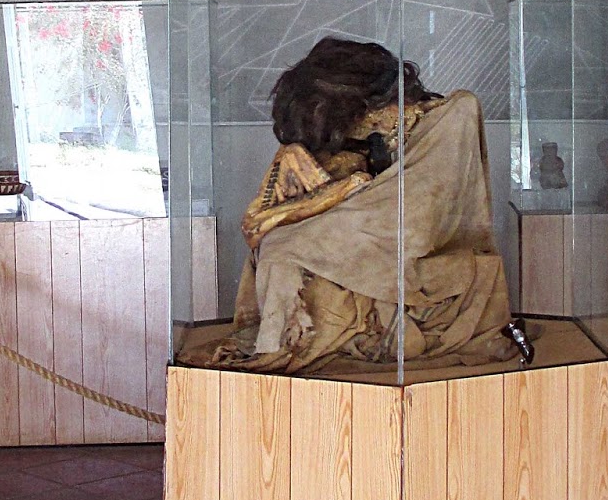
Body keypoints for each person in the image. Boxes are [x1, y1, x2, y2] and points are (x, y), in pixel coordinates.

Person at [189, 37, 522, 375]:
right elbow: (260, 222)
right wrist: (324, 195)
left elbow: (415, 220)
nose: (370, 128)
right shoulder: (363, 140)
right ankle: (281, 346)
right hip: (376, 233)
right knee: (277, 249)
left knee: (286, 249)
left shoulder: (454, 113)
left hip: (405, 240)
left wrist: (328, 211)